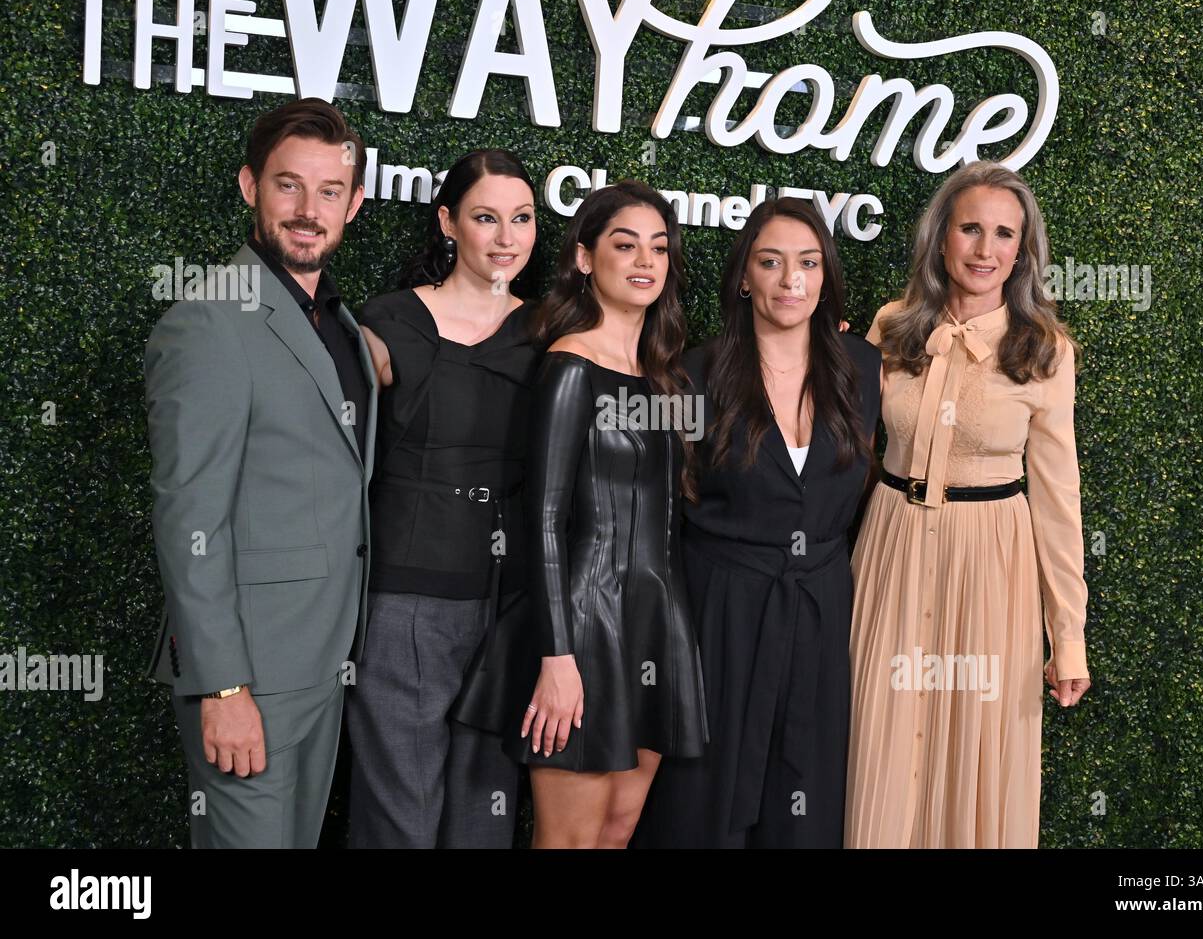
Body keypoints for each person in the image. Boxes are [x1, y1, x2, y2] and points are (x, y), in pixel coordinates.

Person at [144, 99, 375, 848]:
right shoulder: (209, 318)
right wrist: (222, 685)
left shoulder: (340, 324)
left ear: (355, 202)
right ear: (249, 185)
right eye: (288, 186)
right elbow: (189, 518)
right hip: (251, 673)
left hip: (324, 662)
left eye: (330, 191)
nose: (309, 211)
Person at [844, 160, 1092, 849]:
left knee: (978, 749)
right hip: (890, 548)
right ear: (941, 237)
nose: (986, 250)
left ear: (1023, 250)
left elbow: (1057, 497)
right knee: (879, 736)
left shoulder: (1044, 349)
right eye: (971, 228)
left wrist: (1067, 635)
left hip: (992, 563)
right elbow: (849, 450)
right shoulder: (891, 327)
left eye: (1004, 234)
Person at [634, 197, 881, 848]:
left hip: (821, 610)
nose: (790, 280)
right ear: (744, 276)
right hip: (720, 612)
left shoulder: (863, 367)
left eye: (807, 263)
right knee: (702, 802)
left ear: (825, 276)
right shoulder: (692, 374)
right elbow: (655, 517)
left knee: (804, 803)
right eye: (770, 263)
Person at [474, 179, 708, 848]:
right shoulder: (568, 367)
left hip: (656, 620)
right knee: (570, 840)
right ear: (584, 258)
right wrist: (557, 655)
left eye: (658, 248)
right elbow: (541, 520)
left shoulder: (665, 374)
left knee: (617, 830)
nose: (644, 262)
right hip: (581, 626)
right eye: (625, 244)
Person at [345, 150, 542, 848]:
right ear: (448, 222)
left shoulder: (548, 334)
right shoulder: (385, 322)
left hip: (506, 606)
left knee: (484, 817)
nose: (505, 237)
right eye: (486, 217)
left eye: (521, 219)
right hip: (403, 599)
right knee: (400, 813)